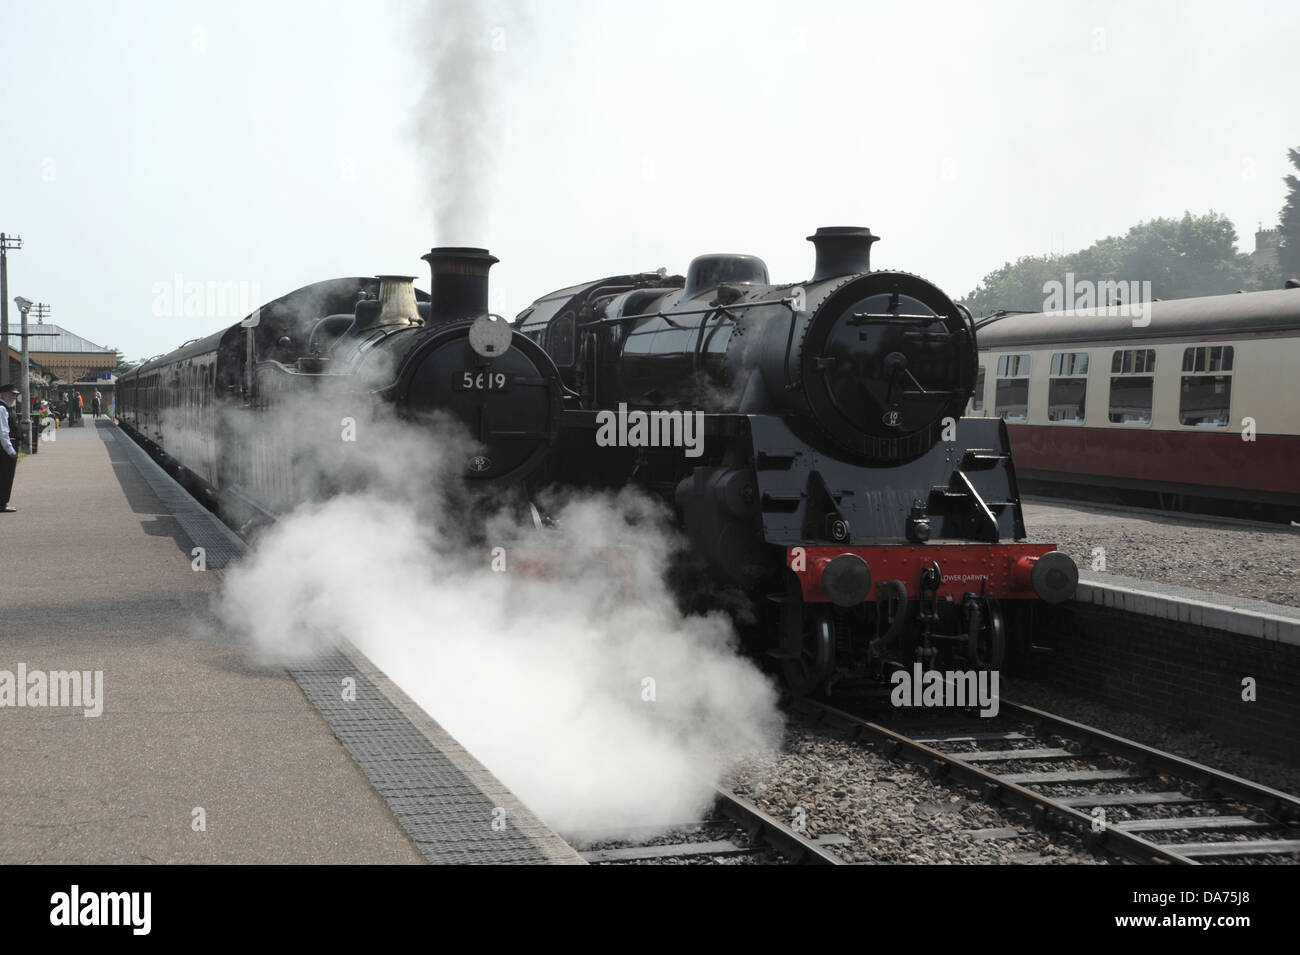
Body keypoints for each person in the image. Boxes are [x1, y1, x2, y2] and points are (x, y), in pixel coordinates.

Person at [0, 382, 19, 513]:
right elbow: (3, 432)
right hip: (5, 449)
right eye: (12, 394)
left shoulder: (6, 407)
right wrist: (10, 450)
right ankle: (2, 503)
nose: (14, 396)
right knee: (6, 476)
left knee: (6, 475)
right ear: (4, 394)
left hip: (7, 446)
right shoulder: (2, 408)